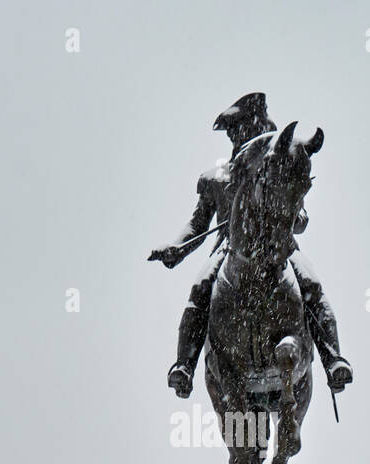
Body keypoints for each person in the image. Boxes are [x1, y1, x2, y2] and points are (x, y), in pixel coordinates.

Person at [149, 92, 353, 399]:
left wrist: (292, 216)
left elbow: (300, 216)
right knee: (201, 289)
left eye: (242, 129)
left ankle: (332, 358)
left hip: (279, 246)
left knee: (311, 285)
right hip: (228, 249)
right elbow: (198, 226)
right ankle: (184, 366)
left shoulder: (276, 170)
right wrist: (176, 249)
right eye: (234, 131)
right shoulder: (215, 178)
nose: (238, 135)